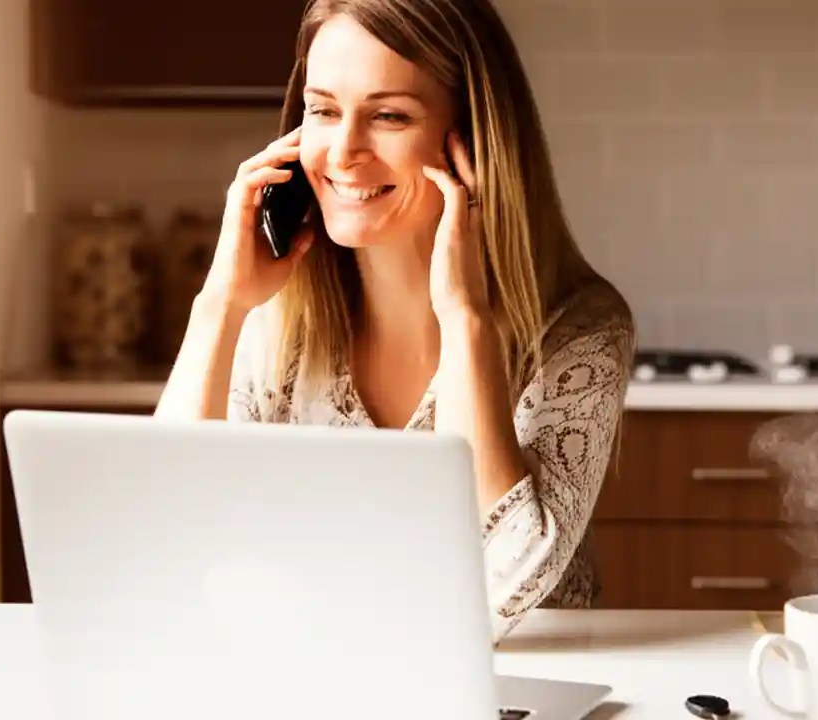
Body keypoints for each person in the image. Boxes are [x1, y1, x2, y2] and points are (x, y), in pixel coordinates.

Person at [156, 0, 635, 642]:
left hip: (527, 682)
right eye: (323, 110)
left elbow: (503, 586)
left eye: (388, 115)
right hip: (323, 682)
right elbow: (162, 544)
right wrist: (220, 303)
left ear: (472, 141)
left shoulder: (580, 329)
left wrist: (465, 320)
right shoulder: (274, 318)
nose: (345, 151)